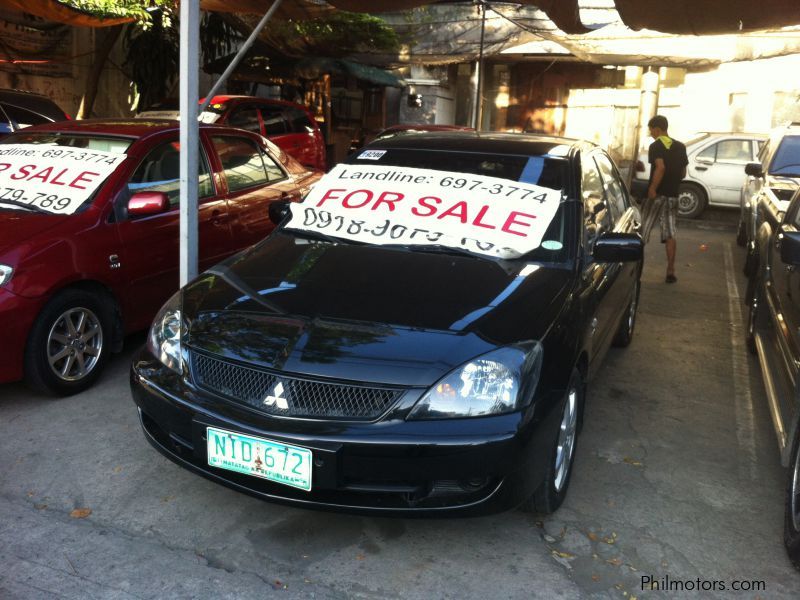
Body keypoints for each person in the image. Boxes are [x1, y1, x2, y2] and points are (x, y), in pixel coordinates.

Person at [640, 115, 688, 283]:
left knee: (642, 231)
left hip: (657, 196)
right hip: (672, 196)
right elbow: (683, 173)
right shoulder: (681, 146)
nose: (651, 134)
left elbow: (660, 167)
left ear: (657, 129)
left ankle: (635, 268)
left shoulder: (656, 146)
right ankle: (670, 271)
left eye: (651, 130)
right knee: (670, 234)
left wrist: (653, 188)